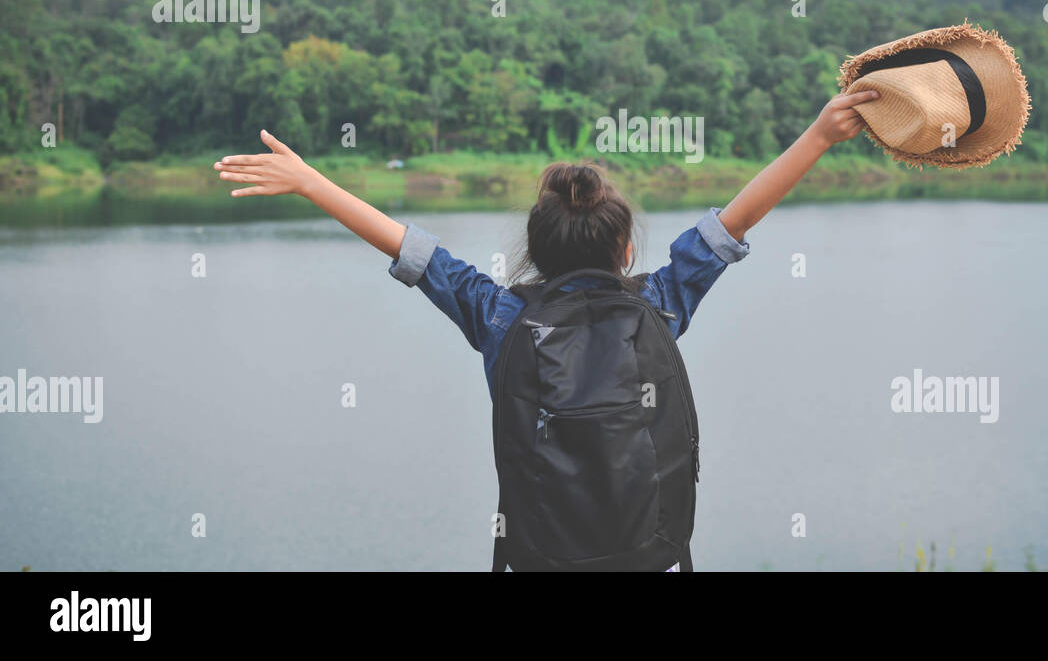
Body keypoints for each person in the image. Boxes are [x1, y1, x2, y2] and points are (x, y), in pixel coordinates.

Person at [210, 88, 877, 567]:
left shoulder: (503, 317)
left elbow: (412, 249)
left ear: (535, 250)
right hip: (653, 559)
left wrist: (307, 181)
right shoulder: (661, 306)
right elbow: (734, 222)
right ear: (625, 252)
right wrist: (820, 134)